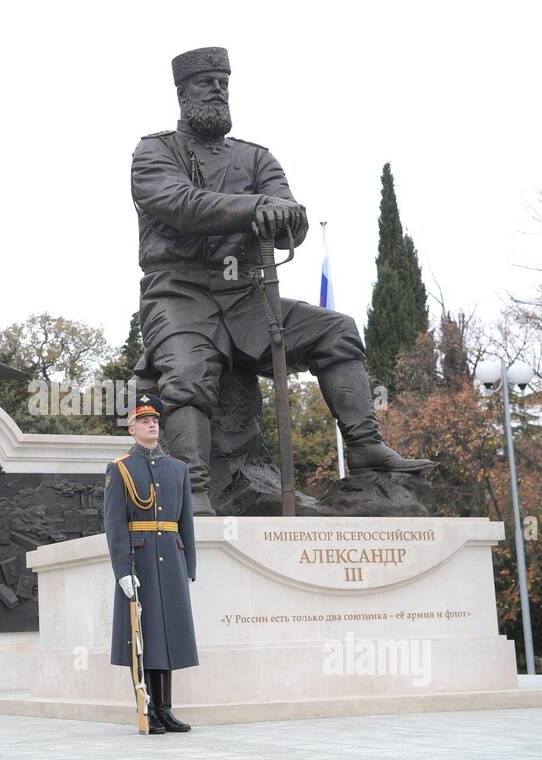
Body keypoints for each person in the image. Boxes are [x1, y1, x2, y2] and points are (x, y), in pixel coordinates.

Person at [130, 47, 430, 514]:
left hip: (248, 298)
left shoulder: (256, 158)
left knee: (338, 330)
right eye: (206, 83)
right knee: (187, 376)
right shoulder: (155, 151)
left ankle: (365, 448)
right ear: (182, 93)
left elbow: (291, 215)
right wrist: (254, 208)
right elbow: (180, 204)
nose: (217, 90)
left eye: (223, 83)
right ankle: (190, 488)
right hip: (180, 294)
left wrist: (286, 220)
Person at [105, 393, 198, 733]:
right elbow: (114, 523)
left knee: (167, 636)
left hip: (170, 560)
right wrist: (122, 570)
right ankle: (146, 709)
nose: (152, 425)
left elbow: (185, 521)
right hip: (139, 560)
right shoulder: (120, 469)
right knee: (141, 637)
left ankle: (166, 708)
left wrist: (188, 564)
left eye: (155, 421)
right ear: (131, 429)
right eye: (144, 421)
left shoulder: (177, 469)